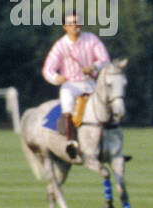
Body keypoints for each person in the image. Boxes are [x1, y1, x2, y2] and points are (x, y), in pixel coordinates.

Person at [42, 12, 110, 159]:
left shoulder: (91, 40)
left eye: (77, 22)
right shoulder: (60, 46)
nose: (75, 26)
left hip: (89, 83)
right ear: (65, 27)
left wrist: (93, 67)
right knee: (67, 106)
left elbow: (105, 60)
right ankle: (71, 142)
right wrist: (56, 78)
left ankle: (111, 143)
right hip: (70, 85)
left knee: (106, 105)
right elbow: (48, 69)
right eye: (71, 23)